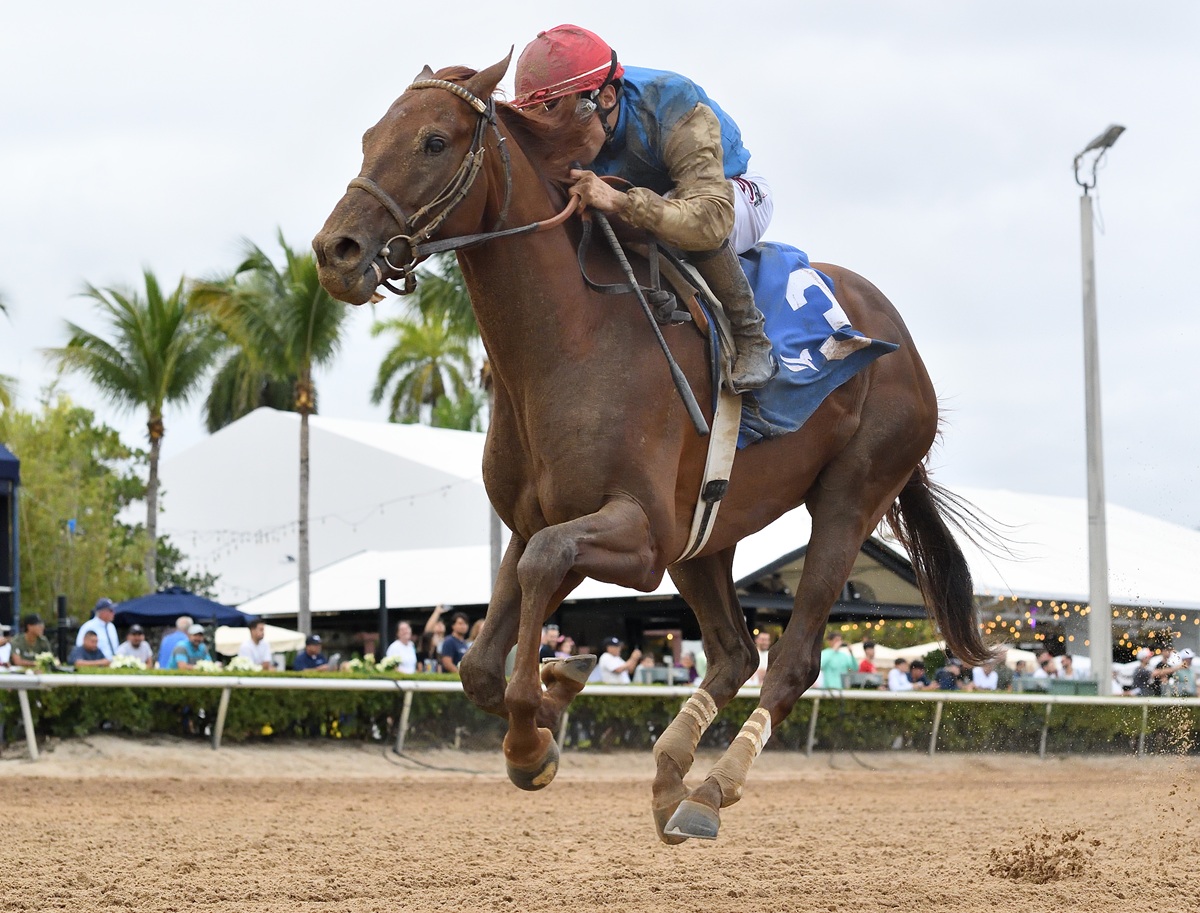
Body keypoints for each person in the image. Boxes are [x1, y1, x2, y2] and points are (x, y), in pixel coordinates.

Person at [512, 25, 775, 393]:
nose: (560, 144)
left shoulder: (674, 102)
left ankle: (752, 337)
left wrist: (620, 201)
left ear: (605, 97)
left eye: (569, 122)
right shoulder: (586, 107)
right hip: (659, 200)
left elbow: (710, 219)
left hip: (733, 195)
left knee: (676, 215)